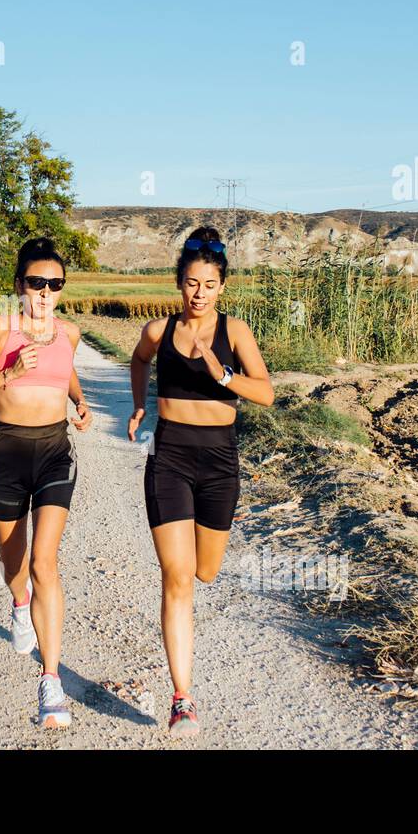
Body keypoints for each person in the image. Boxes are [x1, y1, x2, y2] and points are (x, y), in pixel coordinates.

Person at [126, 227, 274, 737]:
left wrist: (225, 376)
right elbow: (139, 360)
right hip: (168, 457)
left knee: (206, 571)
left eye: (209, 285)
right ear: (178, 283)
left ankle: (184, 680)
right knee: (178, 577)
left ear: (222, 287)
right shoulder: (157, 332)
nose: (199, 293)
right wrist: (141, 404)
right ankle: (182, 698)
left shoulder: (236, 333)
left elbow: (267, 394)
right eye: (191, 283)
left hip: (219, 462)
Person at [0, 237, 92, 728]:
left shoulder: (69, 333)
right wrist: (6, 372)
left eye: (54, 284)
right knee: (16, 564)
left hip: (55, 451)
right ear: (19, 285)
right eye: (36, 283)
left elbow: (65, 371)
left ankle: (51, 682)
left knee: (45, 562)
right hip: (6, 451)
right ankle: (19, 602)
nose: (45, 292)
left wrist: (79, 400)